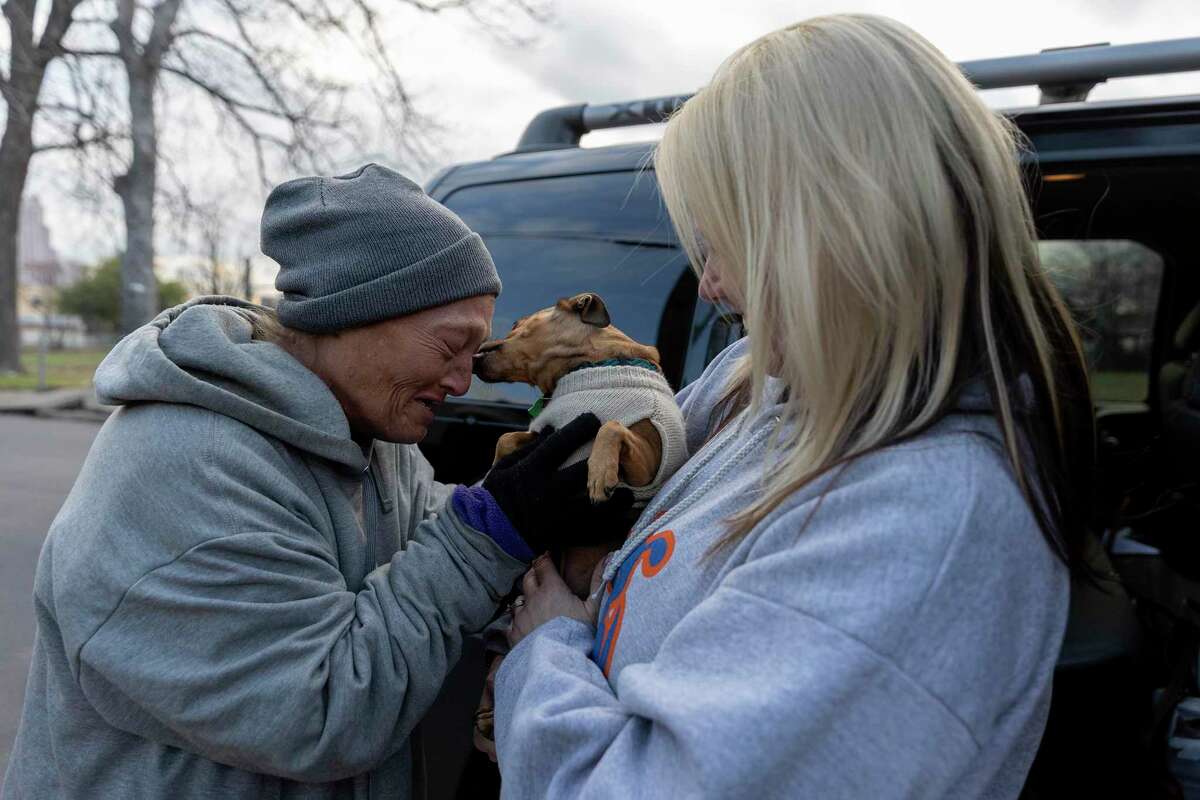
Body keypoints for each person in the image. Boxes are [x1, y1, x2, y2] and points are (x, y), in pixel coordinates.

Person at [492, 15, 1096, 798]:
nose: (710, 286)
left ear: (823, 229)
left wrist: (545, 652)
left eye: (722, 245)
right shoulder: (768, 379)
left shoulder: (925, 521)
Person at [2, 164, 628, 799]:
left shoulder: (368, 436)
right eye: (448, 347)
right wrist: (486, 534)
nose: (464, 380)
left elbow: (434, 563)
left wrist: (540, 596)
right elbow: (321, 716)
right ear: (351, 314)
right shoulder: (192, 467)